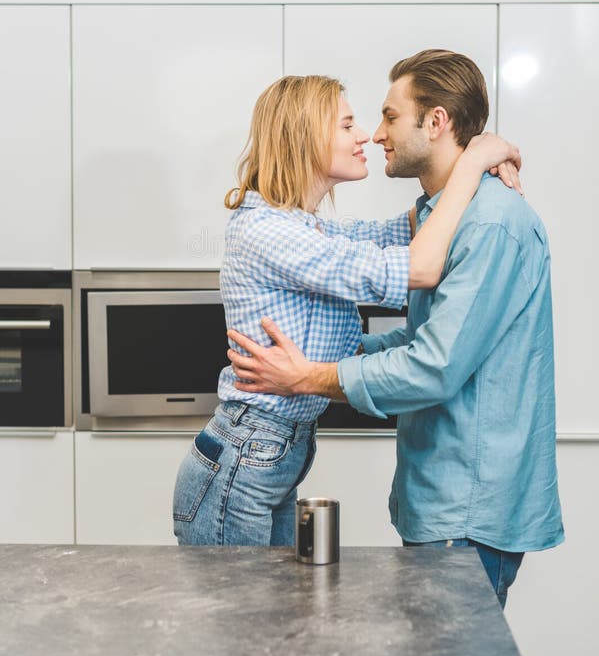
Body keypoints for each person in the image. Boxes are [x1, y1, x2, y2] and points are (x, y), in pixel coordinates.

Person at [228, 51, 564, 608]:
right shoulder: (442, 217)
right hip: (442, 497)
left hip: (469, 506)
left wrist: (313, 374)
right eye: (354, 122)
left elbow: (432, 363)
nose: (375, 134)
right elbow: (420, 335)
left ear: (435, 124)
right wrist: (335, 353)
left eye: (388, 116)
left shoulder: (493, 225)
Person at [173, 72, 521, 548]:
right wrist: (474, 161)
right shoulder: (270, 233)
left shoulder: (304, 226)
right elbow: (420, 265)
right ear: (304, 137)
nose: (367, 136)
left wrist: (471, 165)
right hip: (242, 462)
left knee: (265, 620)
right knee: (249, 623)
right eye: (347, 125)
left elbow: (406, 229)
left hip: (264, 455)